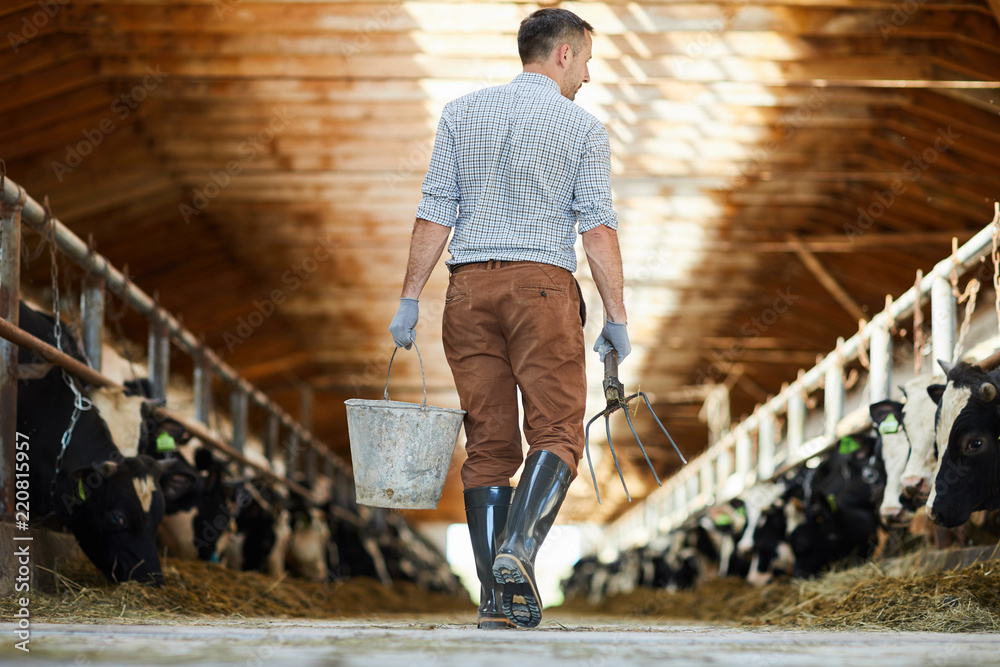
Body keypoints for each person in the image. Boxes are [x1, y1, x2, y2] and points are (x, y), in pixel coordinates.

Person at [389, 7, 629, 629]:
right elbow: (597, 231)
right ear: (565, 54)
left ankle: (494, 605)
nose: (587, 80)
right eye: (586, 64)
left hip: (466, 292)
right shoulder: (581, 128)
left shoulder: (461, 113)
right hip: (541, 290)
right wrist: (616, 316)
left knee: (489, 446)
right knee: (557, 432)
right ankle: (519, 552)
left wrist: (410, 295)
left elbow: (434, 210)